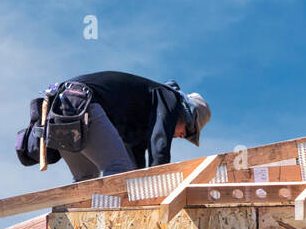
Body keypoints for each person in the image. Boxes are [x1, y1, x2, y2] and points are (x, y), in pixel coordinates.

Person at [16, 72, 211, 182]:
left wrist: (141, 188)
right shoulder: (169, 98)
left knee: (87, 179)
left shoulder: (139, 120)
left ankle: (82, 228)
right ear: (185, 115)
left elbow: (135, 167)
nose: (180, 136)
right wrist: (158, 187)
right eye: (186, 132)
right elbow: (159, 146)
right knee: (118, 171)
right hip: (81, 105)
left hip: (62, 110)